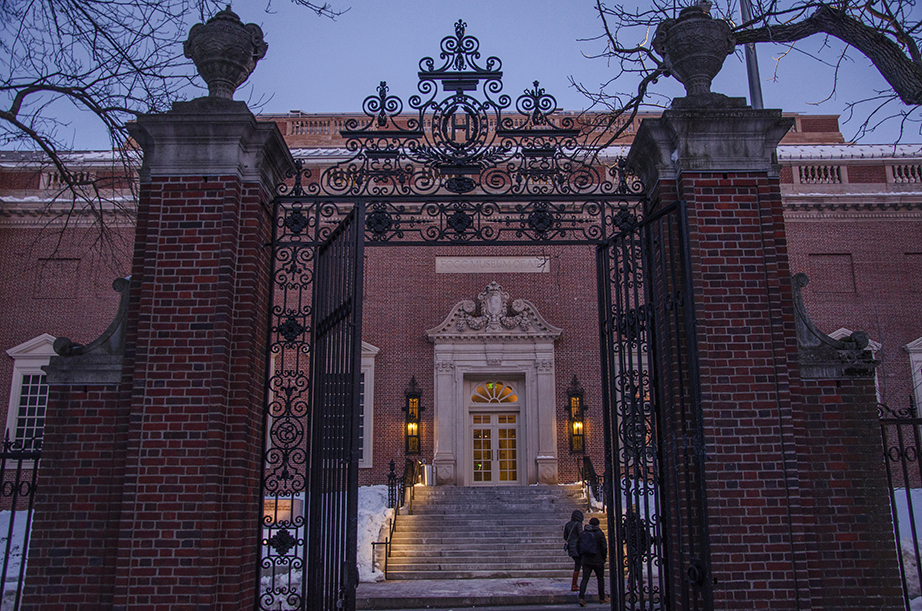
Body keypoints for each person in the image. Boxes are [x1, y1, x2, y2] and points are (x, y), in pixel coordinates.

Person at [578, 517, 609, 606]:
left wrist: (582, 557)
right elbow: (604, 547)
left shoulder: (584, 533)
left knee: (585, 579)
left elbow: (579, 544)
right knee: (600, 579)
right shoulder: (599, 534)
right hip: (597, 560)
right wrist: (603, 558)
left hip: (586, 560)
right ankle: (602, 598)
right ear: (597, 524)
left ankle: (581, 597)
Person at [563, 509, 584, 592]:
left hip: (571, 548)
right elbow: (581, 535)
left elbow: (565, 537)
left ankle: (574, 584)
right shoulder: (578, 524)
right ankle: (574, 584)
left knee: (577, 564)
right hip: (577, 547)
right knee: (578, 565)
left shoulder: (568, 524)